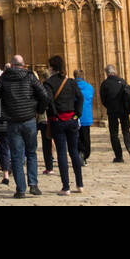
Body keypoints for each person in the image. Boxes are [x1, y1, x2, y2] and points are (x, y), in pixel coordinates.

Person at [0, 56, 50, 198]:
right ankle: (33, 185)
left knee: (17, 156)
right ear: (24, 65)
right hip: (29, 120)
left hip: (13, 122)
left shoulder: (4, 78)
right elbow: (44, 94)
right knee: (31, 153)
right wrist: (39, 110)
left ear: (12, 65)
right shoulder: (30, 77)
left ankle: (20, 189)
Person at [43, 56, 84, 195]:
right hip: (72, 120)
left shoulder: (48, 83)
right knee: (74, 152)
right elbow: (80, 97)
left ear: (51, 67)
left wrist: (55, 114)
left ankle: (66, 187)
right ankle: (80, 184)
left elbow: (49, 101)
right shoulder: (71, 82)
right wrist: (77, 114)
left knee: (61, 153)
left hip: (58, 121)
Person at [99, 64, 130, 163]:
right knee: (126, 131)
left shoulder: (105, 84)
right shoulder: (122, 81)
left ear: (106, 73)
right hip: (124, 111)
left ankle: (119, 156)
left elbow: (103, 100)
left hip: (112, 112)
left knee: (114, 134)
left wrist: (110, 106)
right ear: (115, 72)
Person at [74, 69, 95, 162]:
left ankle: (80, 152)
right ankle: (85, 155)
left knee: (76, 137)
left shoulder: (72, 87)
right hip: (86, 116)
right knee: (86, 137)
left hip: (75, 116)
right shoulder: (89, 87)